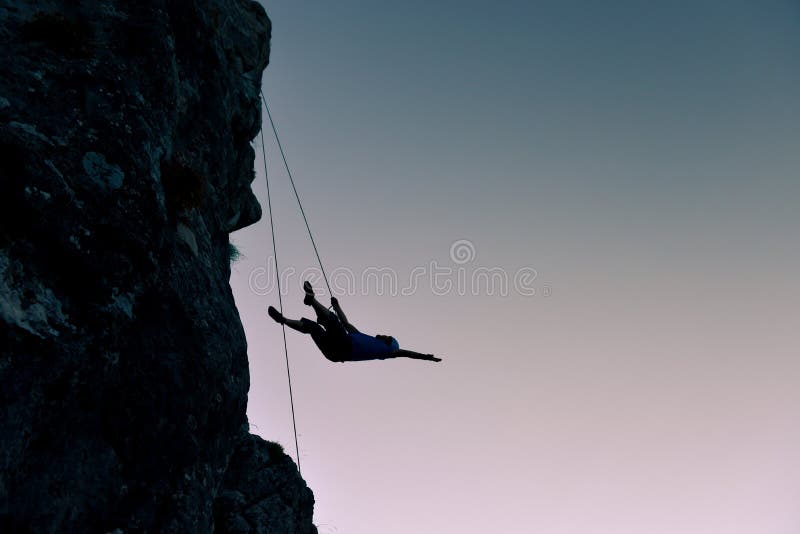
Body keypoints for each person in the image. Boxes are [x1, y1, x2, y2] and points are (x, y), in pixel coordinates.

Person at [268, 281, 441, 363]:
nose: (382, 334)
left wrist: (425, 357)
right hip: (334, 355)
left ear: (388, 341)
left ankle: (312, 300)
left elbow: (406, 353)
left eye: (386, 335)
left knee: (331, 322)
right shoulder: (360, 335)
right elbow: (346, 321)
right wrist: (337, 305)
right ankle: (282, 320)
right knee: (314, 328)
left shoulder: (389, 349)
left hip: (344, 347)